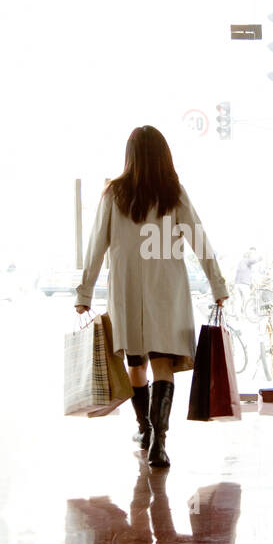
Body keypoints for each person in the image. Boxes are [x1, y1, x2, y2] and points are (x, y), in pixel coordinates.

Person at [76, 125, 229, 468]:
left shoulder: (114, 194)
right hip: (167, 292)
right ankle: (160, 443)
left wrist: (84, 292)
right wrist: (218, 286)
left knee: (136, 362)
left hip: (127, 293)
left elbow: (96, 247)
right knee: (163, 363)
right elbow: (199, 241)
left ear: (129, 155)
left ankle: (144, 427)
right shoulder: (173, 192)